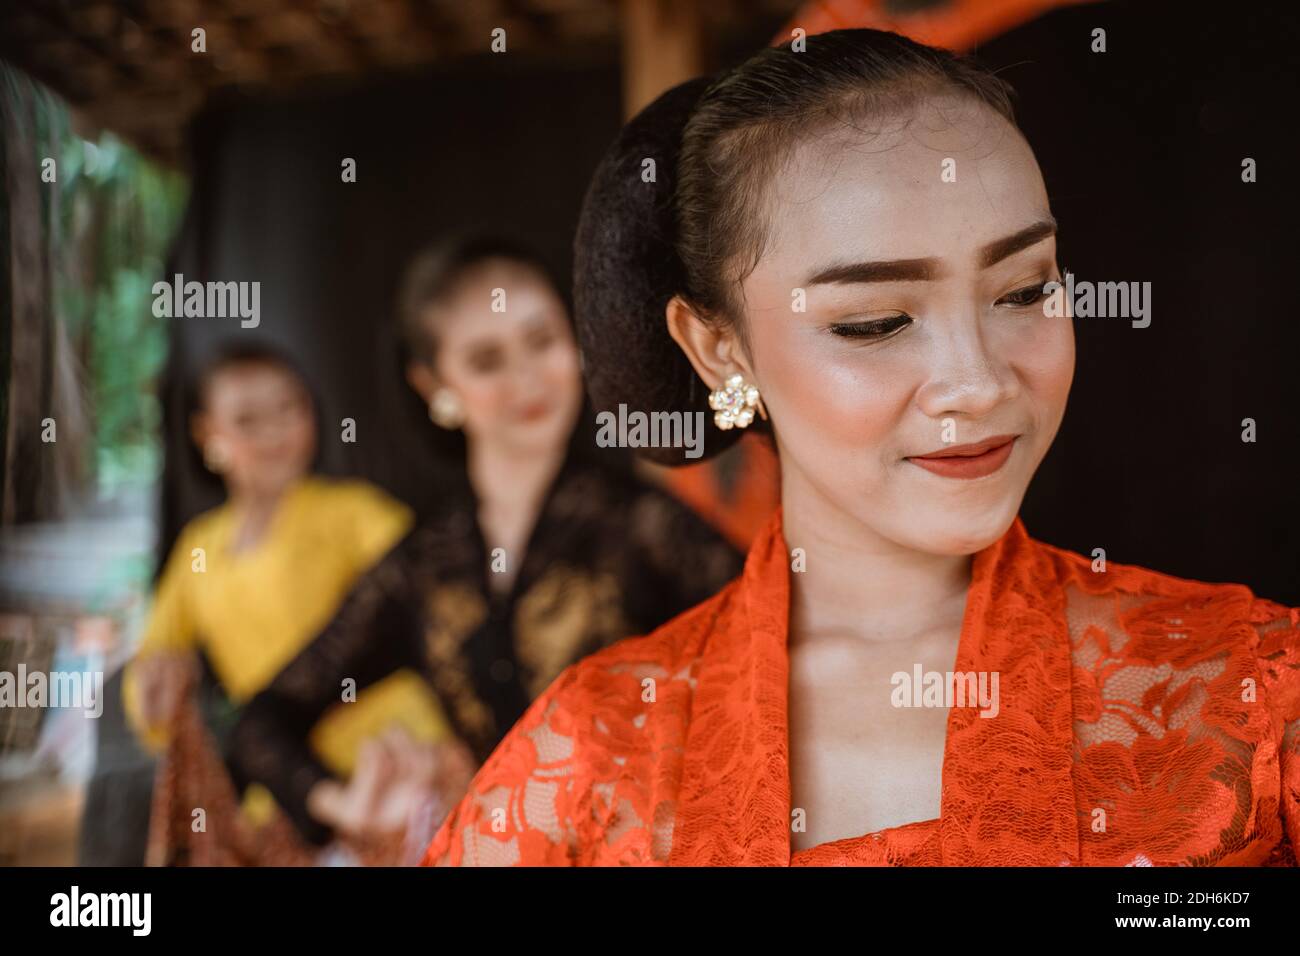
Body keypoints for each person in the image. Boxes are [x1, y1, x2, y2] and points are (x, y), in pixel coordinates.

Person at [421, 29, 1300, 866]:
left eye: (1025, 290)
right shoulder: (588, 753)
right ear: (720, 348)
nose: (979, 381)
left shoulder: (1252, 691)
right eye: (875, 321)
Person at [227, 236, 744, 851]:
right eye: (487, 359)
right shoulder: (421, 565)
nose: (526, 378)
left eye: (542, 341)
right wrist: (342, 803)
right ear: (434, 386)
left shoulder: (646, 528)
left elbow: (774, 661)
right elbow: (260, 723)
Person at [124, 342, 449, 865]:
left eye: (287, 409)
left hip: (394, 766)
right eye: (249, 419)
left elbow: (438, 592)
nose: (275, 431)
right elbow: (155, 655)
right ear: (208, 436)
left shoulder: (353, 514)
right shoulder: (199, 549)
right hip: (282, 789)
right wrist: (152, 691)